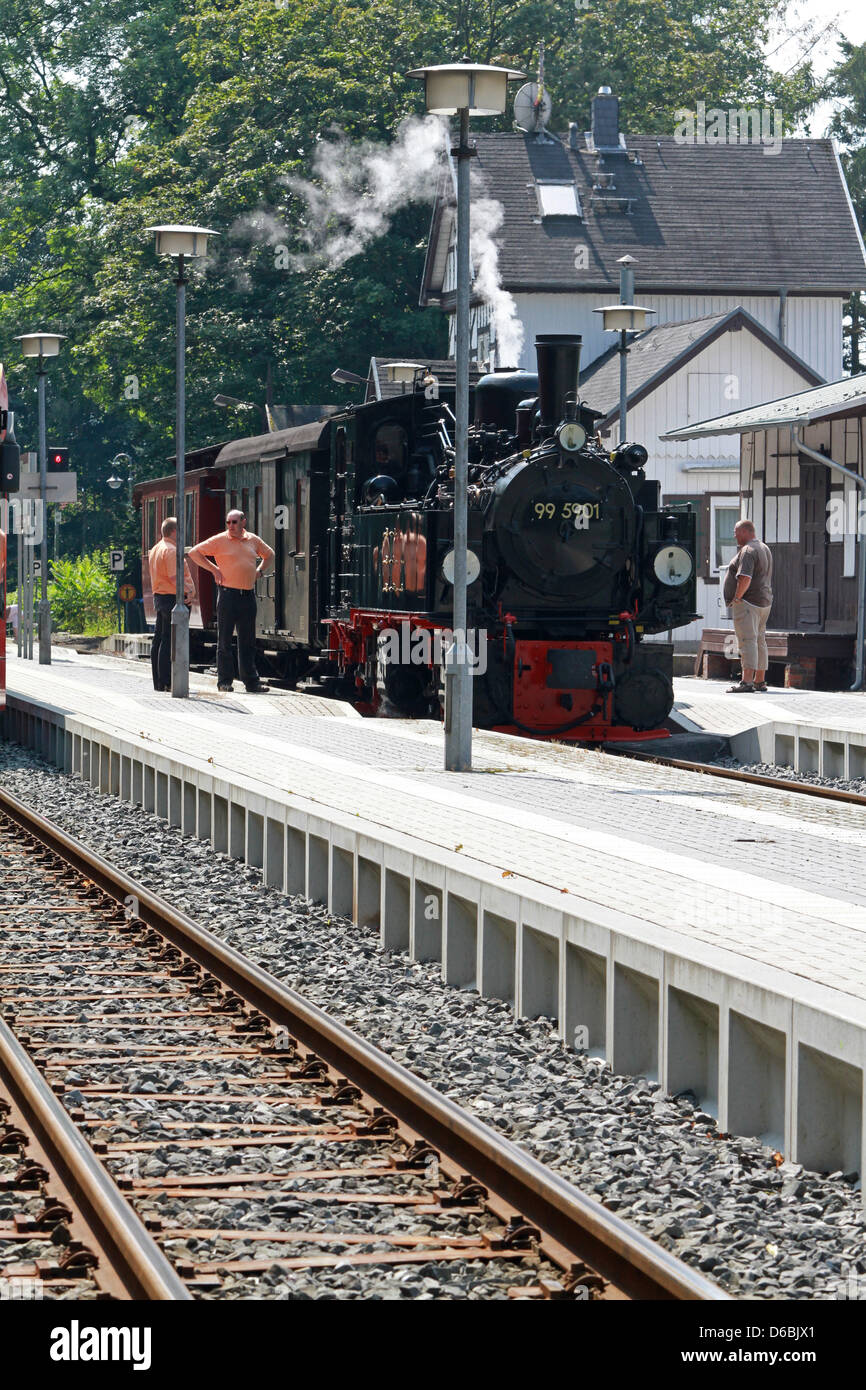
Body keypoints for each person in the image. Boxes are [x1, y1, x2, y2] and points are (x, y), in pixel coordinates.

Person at [187, 509, 274, 692]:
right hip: (228, 595)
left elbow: (270, 554)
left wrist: (259, 571)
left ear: (243, 522)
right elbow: (195, 553)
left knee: (248, 641)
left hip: (247, 595)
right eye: (228, 522)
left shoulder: (252, 540)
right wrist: (214, 569)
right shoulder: (220, 540)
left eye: (234, 522)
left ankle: (251, 682)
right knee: (224, 640)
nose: (231, 526)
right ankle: (224, 682)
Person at [723, 518, 773, 692]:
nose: (735, 536)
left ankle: (746, 682)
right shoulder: (764, 547)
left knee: (747, 640)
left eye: (736, 532)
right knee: (760, 640)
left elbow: (745, 577)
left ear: (745, 531)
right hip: (764, 602)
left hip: (748, 602)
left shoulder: (748, 550)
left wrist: (737, 597)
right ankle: (760, 681)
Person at [148, 517, 195, 692]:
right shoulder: (170, 551)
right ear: (174, 531)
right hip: (172, 598)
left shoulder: (155, 549)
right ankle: (168, 681)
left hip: (160, 597)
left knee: (160, 639)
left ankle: (159, 682)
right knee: (170, 640)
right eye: (180, 530)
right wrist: (188, 592)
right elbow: (175, 578)